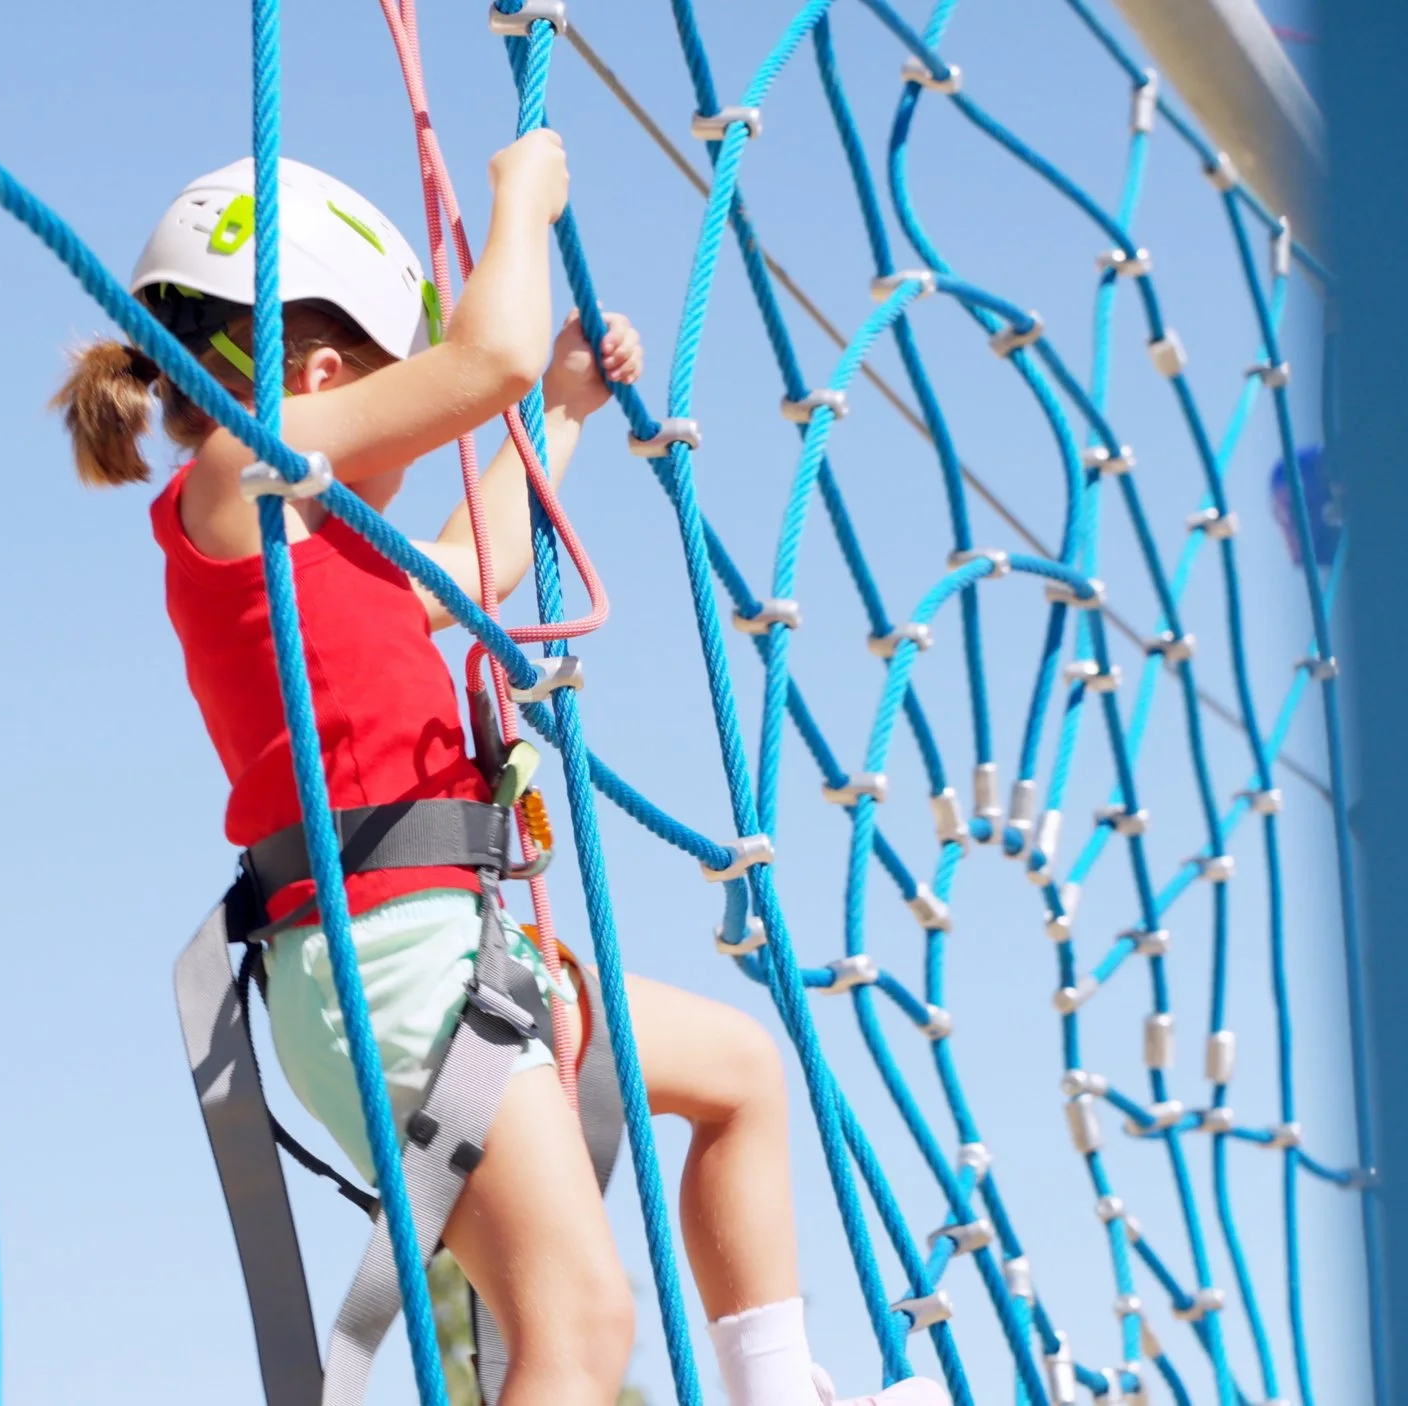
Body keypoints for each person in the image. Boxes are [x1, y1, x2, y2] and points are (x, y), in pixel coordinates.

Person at [52, 132, 942, 1406]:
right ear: (315, 378)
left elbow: (480, 561)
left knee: (740, 1070)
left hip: (448, 946)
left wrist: (561, 415)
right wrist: (520, 199)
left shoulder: (332, 557)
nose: (426, 414)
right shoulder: (232, 482)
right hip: (386, 962)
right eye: (395, 387)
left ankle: (776, 1386)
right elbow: (489, 356)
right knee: (575, 1325)